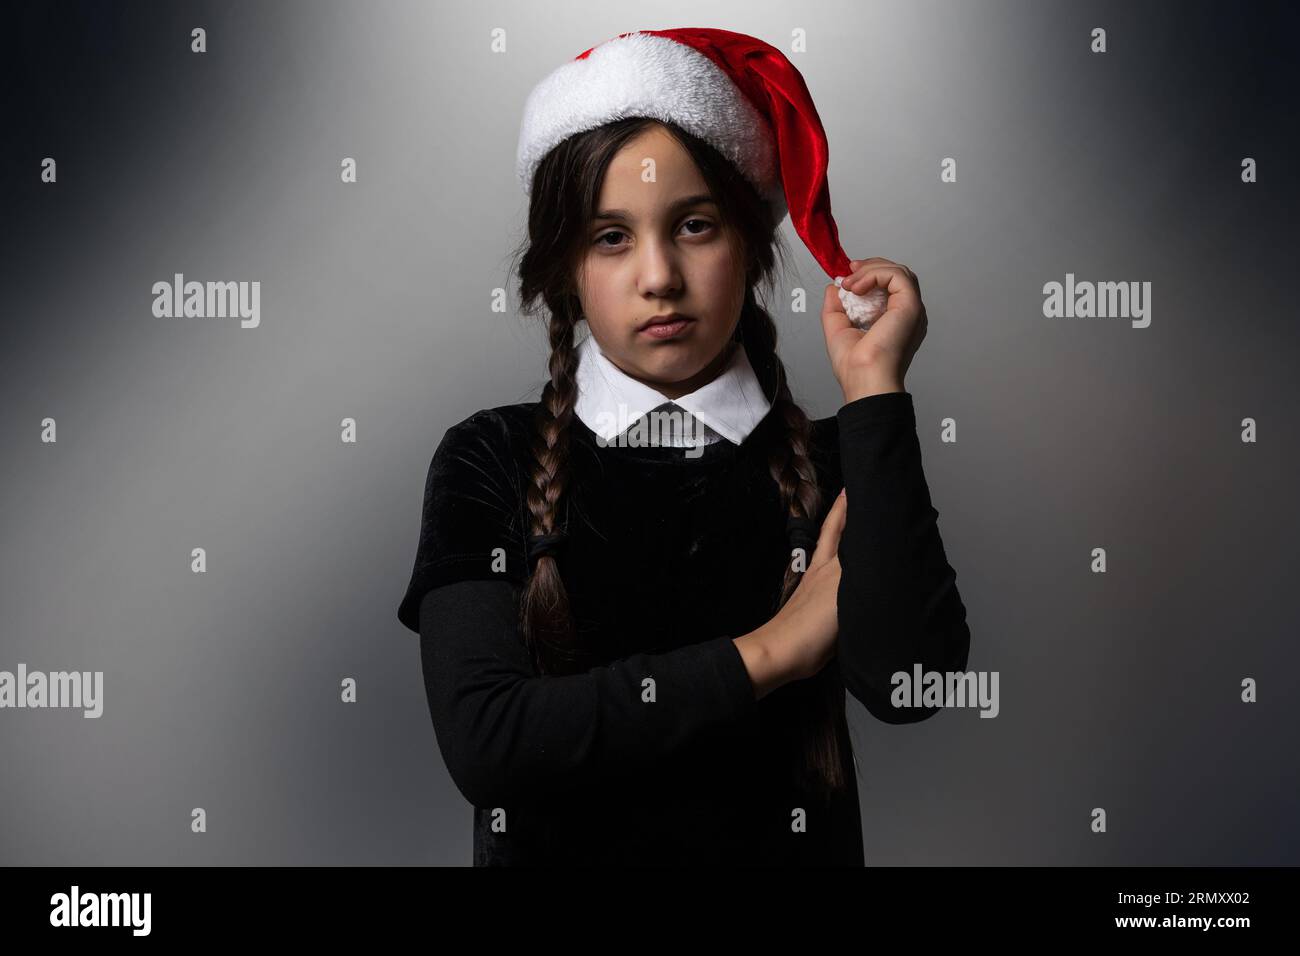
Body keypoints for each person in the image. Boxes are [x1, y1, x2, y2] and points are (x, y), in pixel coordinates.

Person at [397, 27, 971, 866]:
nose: (659, 275)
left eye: (695, 225)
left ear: (750, 243)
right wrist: (776, 650)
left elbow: (913, 684)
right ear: (566, 271)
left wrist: (877, 389)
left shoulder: (835, 458)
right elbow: (490, 741)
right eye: (612, 237)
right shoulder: (491, 457)